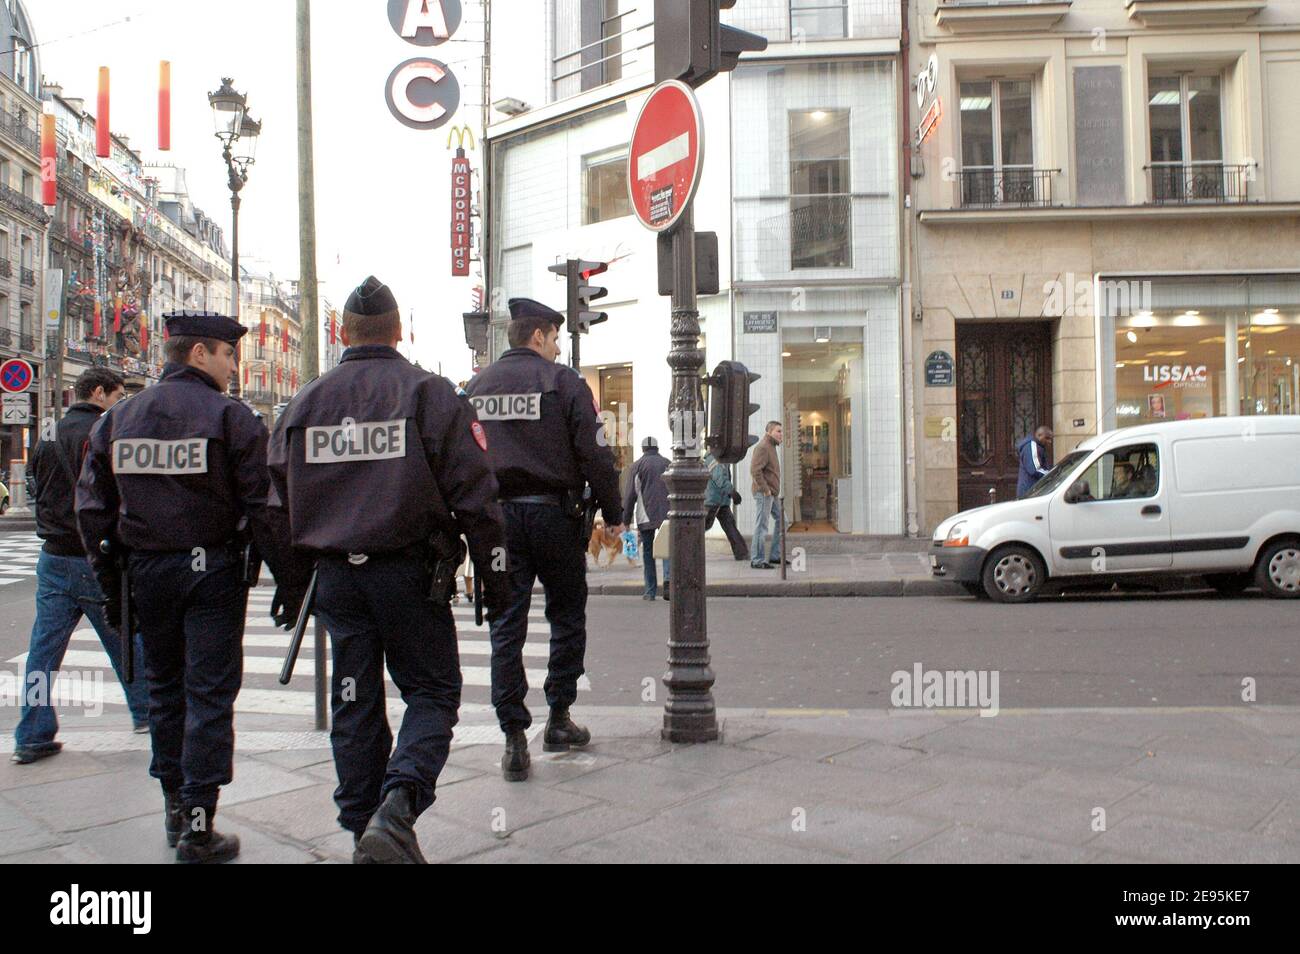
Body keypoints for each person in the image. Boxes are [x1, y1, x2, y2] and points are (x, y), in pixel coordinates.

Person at [269, 277, 506, 864]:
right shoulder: (428, 394)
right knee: (432, 691)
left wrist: (292, 583)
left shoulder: (302, 404)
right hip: (409, 576)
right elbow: (476, 495)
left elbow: (275, 505)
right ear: (399, 332)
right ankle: (397, 808)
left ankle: (363, 831)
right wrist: (496, 577)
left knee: (354, 703)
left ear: (342, 333)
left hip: (336, 583)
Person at [76, 311, 308, 864]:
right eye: (228, 355)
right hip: (212, 575)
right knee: (208, 694)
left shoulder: (117, 420)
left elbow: (92, 511)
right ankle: (200, 826)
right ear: (200, 353)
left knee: (164, 689)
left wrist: (113, 585)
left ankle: (174, 804)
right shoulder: (232, 419)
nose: (233, 366)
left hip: (147, 573)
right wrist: (291, 582)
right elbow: (264, 509)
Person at [465, 297, 623, 782]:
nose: (557, 346)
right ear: (537, 336)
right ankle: (558, 718)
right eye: (555, 337)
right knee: (567, 615)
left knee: (506, 624)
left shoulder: (477, 387)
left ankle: (514, 737)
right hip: (554, 516)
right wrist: (614, 513)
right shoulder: (563, 383)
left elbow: (460, 461)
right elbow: (596, 454)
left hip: (498, 522)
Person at [13, 368, 150, 765]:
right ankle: (145, 713)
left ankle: (32, 735)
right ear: (98, 392)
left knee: (43, 651)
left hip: (52, 556)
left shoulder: (50, 433)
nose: (119, 401)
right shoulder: (105, 430)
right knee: (125, 639)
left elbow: (37, 484)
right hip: (93, 553)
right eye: (117, 394)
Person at [622, 436, 671, 600]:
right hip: (667, 515)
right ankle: (668, 581)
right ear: (657, 448)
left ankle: (650, 591)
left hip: (646, 515)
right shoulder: (668, 463)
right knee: (666, 550)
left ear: (643, 449)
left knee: (648, 552)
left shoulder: (636, 466)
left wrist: (626, 520)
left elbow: (630, 495)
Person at [750, 421, 785, 569]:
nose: (781, 434)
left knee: (783, 520)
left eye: (782, 431)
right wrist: (766, 490)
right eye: (778, 431)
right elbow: (755, 471)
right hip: (764, 493)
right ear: (769, 432)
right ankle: (757, 560)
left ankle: (775, 556)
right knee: (762, 525)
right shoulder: (763, 447)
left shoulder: (771, 446)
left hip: (772, 494)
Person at [704, 450, 749, 562]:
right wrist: (732, 493)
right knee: (703, 527)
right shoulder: (715, 459)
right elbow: (721, 480)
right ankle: (690, 551)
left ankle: (742, 554)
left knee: (729, 526)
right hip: (714, 500)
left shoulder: (719, 458)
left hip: (719, 500)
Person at [1016, 425, 1053, 497]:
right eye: (1047, 438)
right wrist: (1052, 475)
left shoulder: (1039, 447)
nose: (1049, 442)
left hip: (1032, 490)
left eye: (1051, 439)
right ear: (1039, 435)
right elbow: (1035, 469)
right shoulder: (1032, 446)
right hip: (1030, 491)